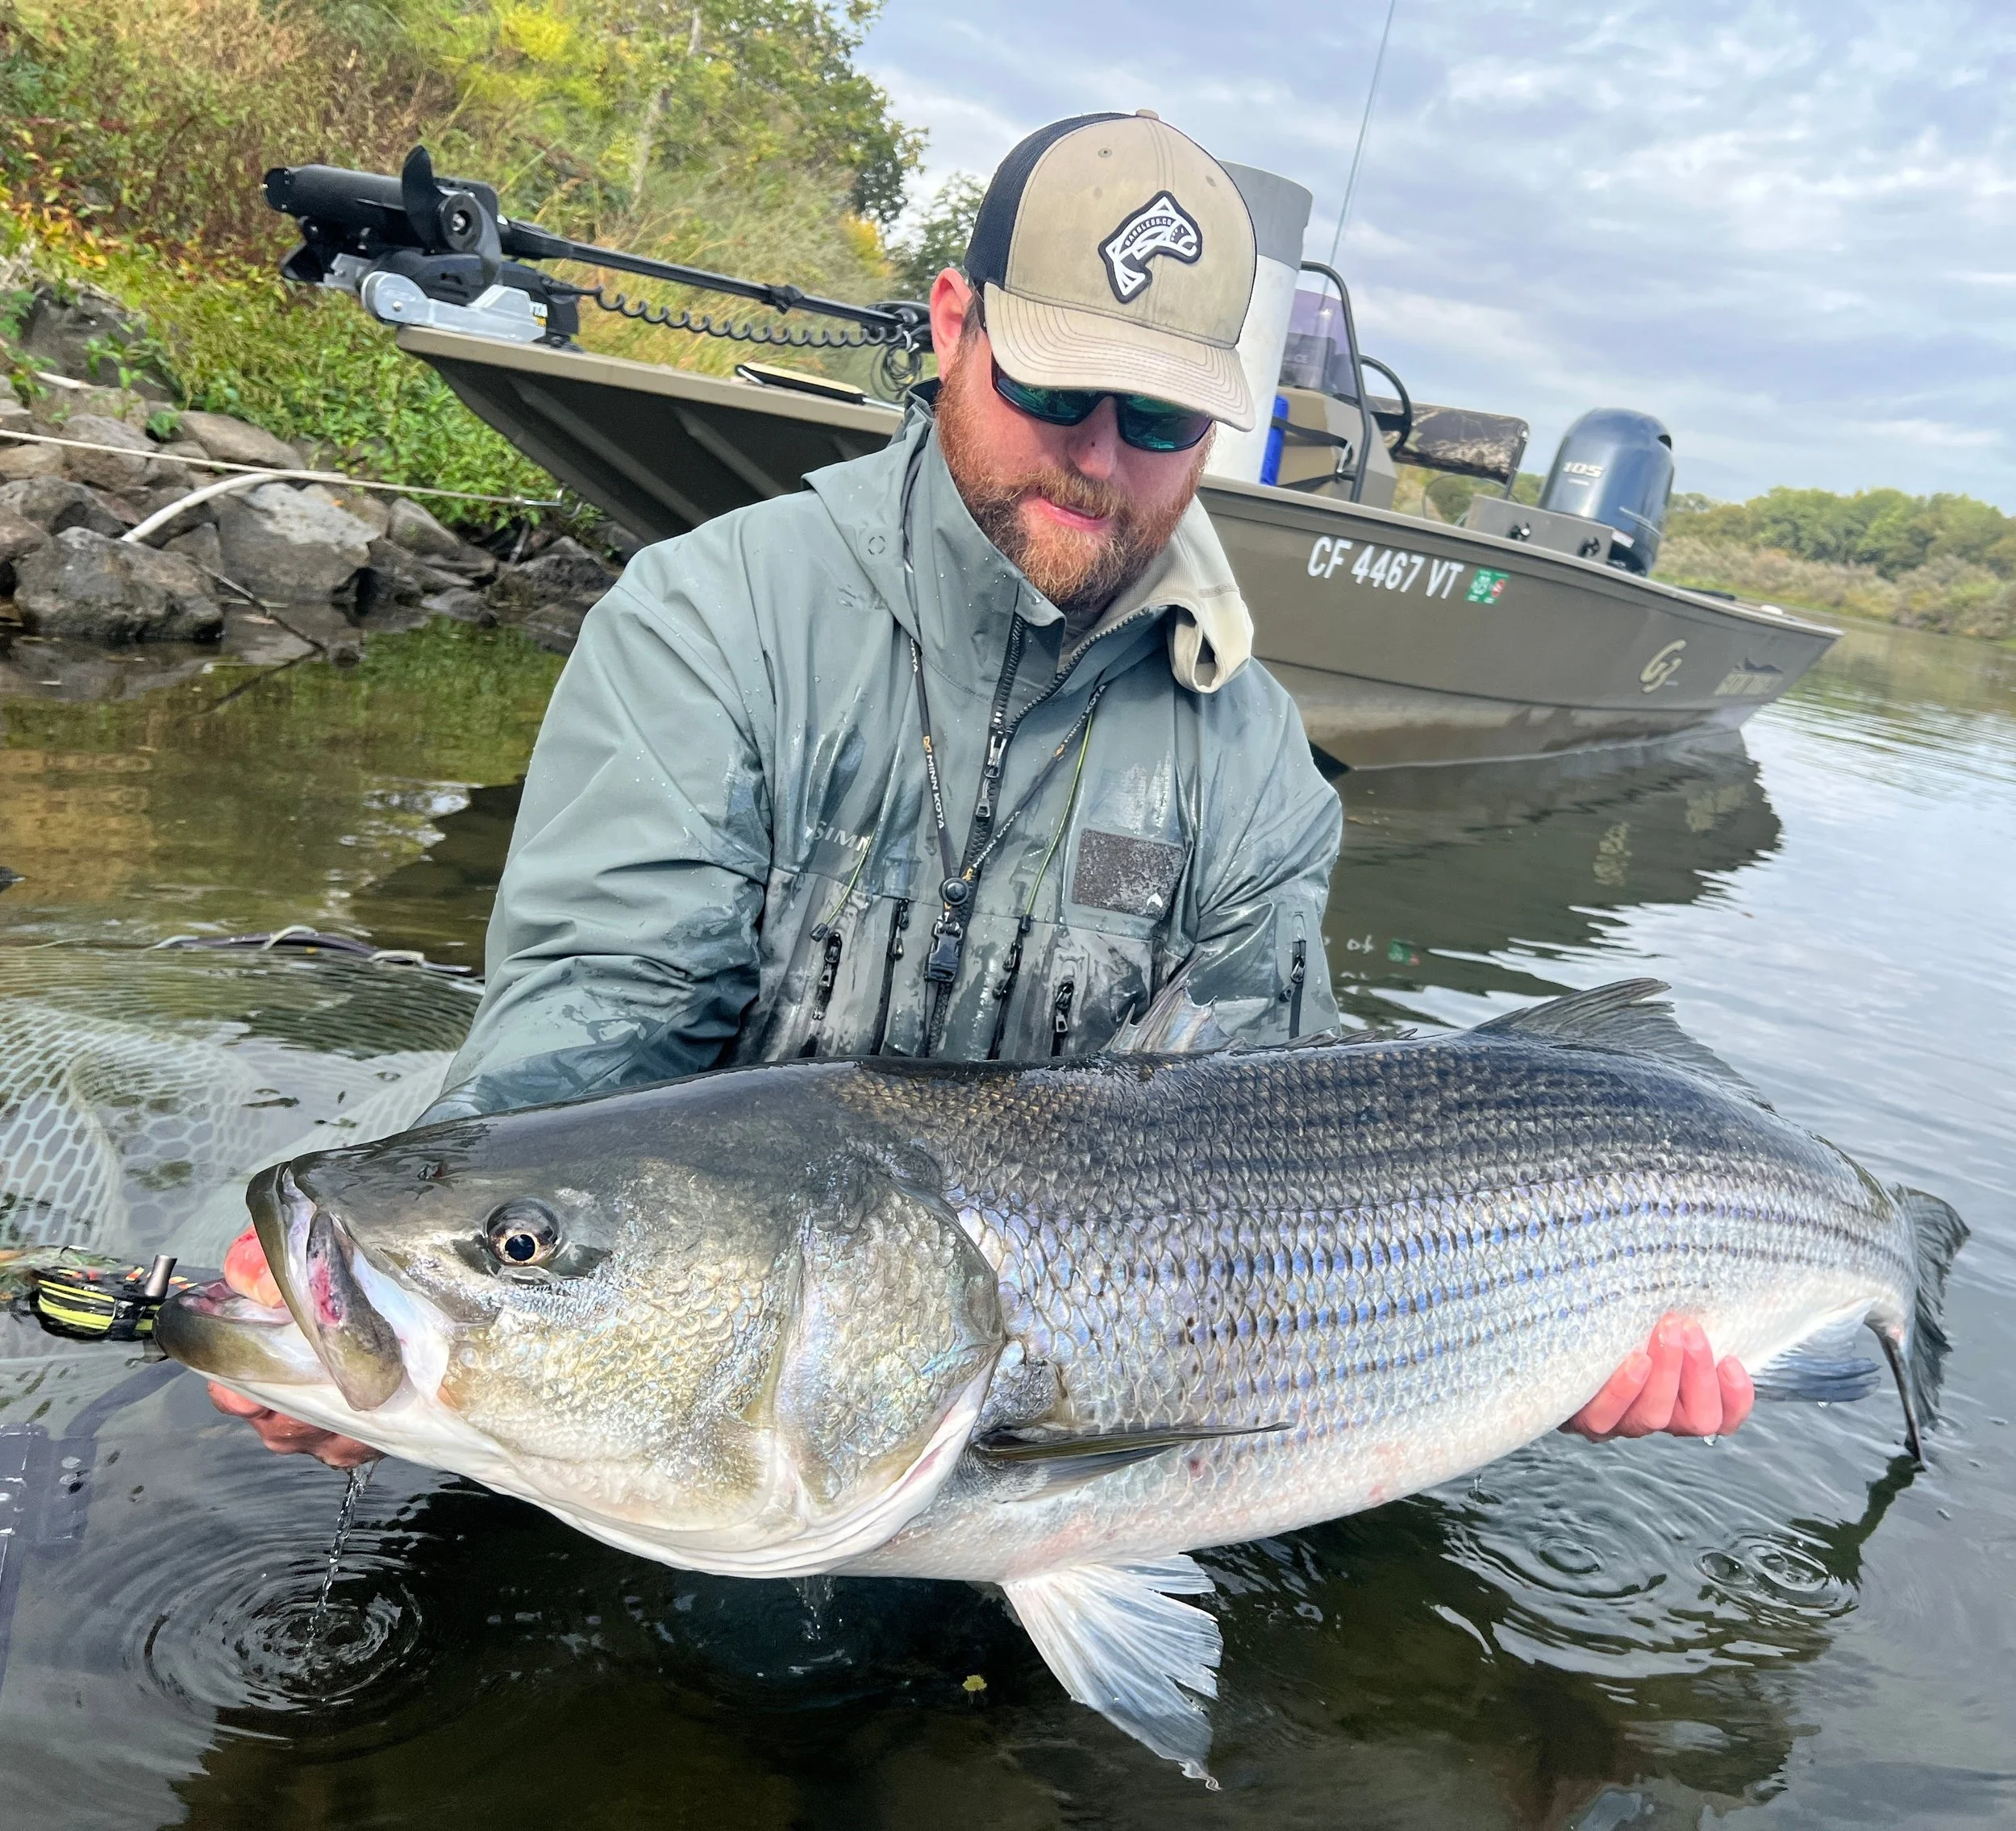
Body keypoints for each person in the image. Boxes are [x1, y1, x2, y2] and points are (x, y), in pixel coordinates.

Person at [210, 111, 1753, 1467]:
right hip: (787, 1377)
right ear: (954, 322)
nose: (1097, 458)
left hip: (1112, 1409)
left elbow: (1287, 1158)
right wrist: (450, 1278)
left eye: (1157, 419)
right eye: (1057, 386)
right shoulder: (711, 621)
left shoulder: (1262, 763)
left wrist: (1552, 1336)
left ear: (1215, 424)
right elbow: (583, 1054)